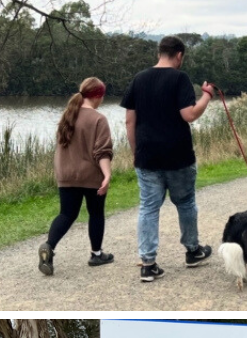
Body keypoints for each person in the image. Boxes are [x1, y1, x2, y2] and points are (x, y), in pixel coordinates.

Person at [121, 35, 214, 283]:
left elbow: (130, 120)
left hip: (147, 155)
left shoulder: (139, 79)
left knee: (149, 207)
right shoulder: (180, 78)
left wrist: (135, 151)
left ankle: (148, 263)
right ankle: (192, 251)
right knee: (185, 203)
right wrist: (206, 96)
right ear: (179, 55)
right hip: (178, 156)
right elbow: (189, 115)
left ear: (159, 52)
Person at [39, 77, 115, 276]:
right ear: (98, 96)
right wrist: (107, 175)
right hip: (91, 175)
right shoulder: (98, 119)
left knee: (67, 214)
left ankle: (49, 245)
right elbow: (102, 152)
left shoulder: (67, 116)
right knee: (96, 213)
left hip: (66, 175)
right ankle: (96, 254)